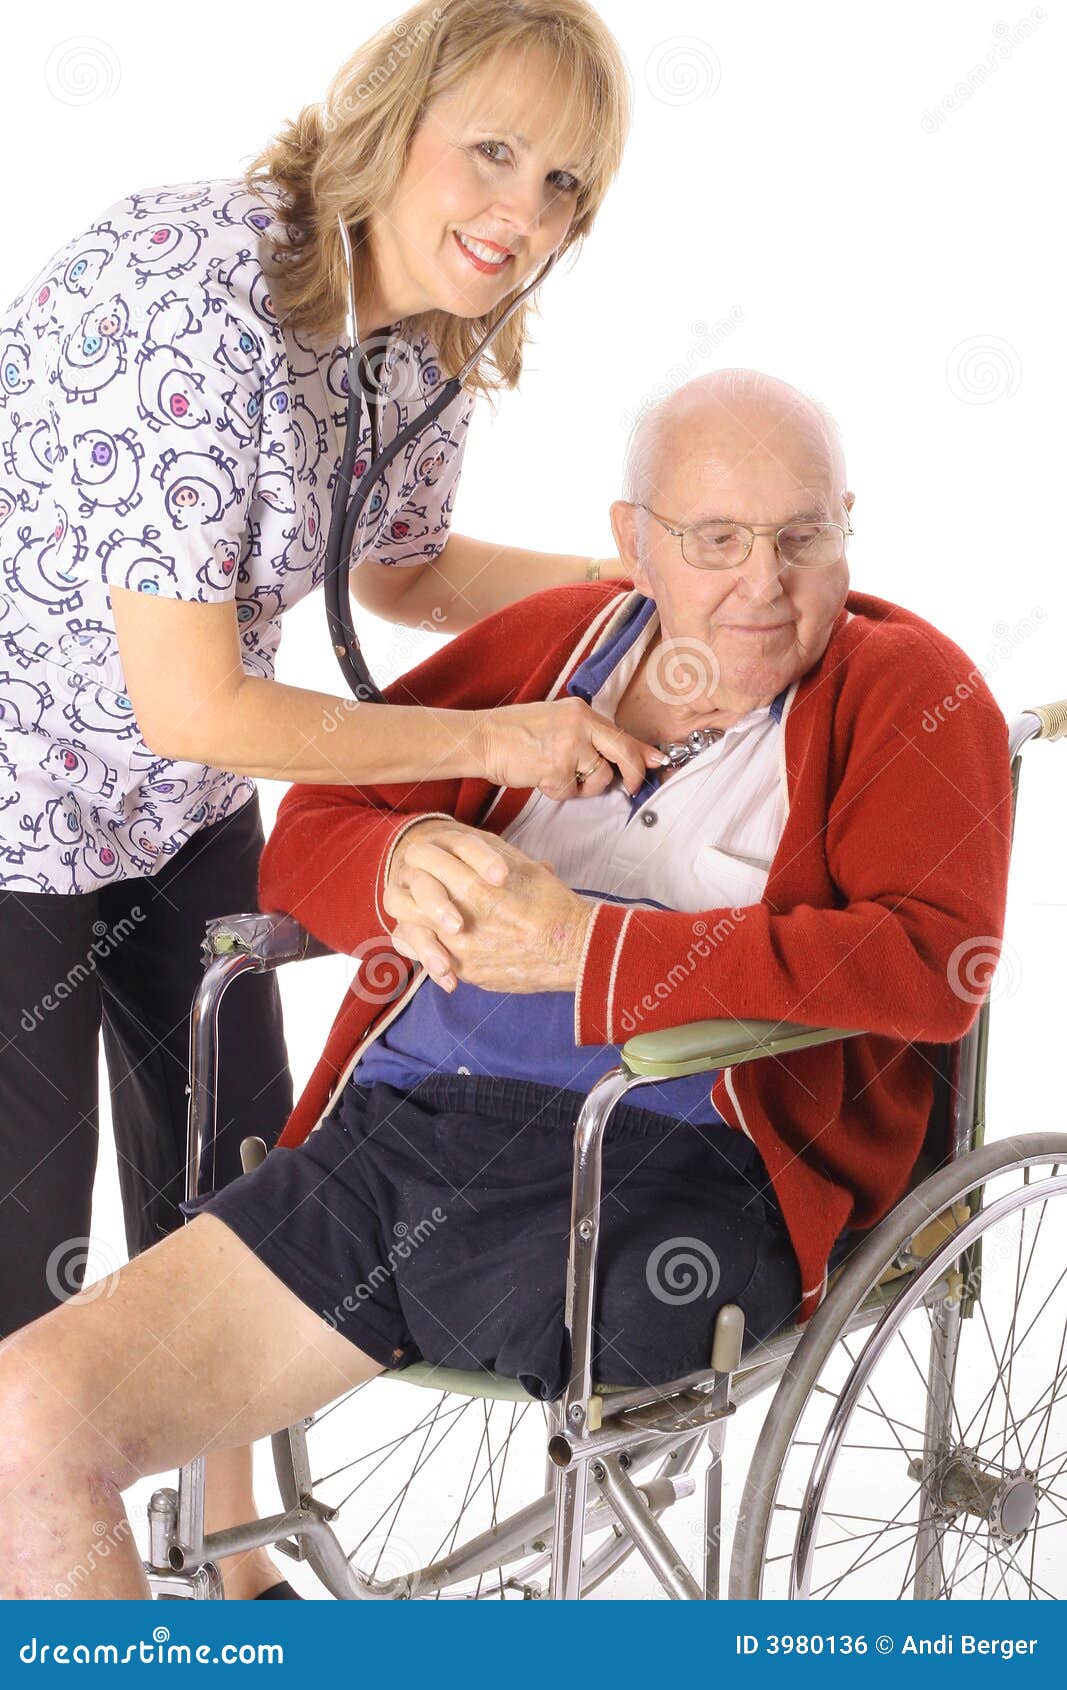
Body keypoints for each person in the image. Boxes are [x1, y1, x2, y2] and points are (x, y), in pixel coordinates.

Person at [0, 369, 1013, 1599]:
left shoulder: (909, 690)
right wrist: (397, 852)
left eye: (802, 537)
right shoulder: (556, 646)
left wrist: (595, 948)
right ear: (630, 543)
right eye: (716, 541)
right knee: (28, 1420)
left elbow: (927, 967)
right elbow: (323, 810)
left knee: (510, 1296)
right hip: (394, 1140)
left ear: (846, 524)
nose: (763, 581)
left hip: (669, 1161)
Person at [0, 0, 663, 1597]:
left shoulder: (417, 333)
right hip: (17, 802)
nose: (524, 211)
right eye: (491, 151)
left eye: (565, 182)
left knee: (233, 1174)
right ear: (386, 120)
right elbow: (195, 691)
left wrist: (647, 568)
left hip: (179, 801)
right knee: (34, 1249)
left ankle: (226, 1562)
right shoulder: (202, 291)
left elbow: (408, 569)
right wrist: (505, 741)